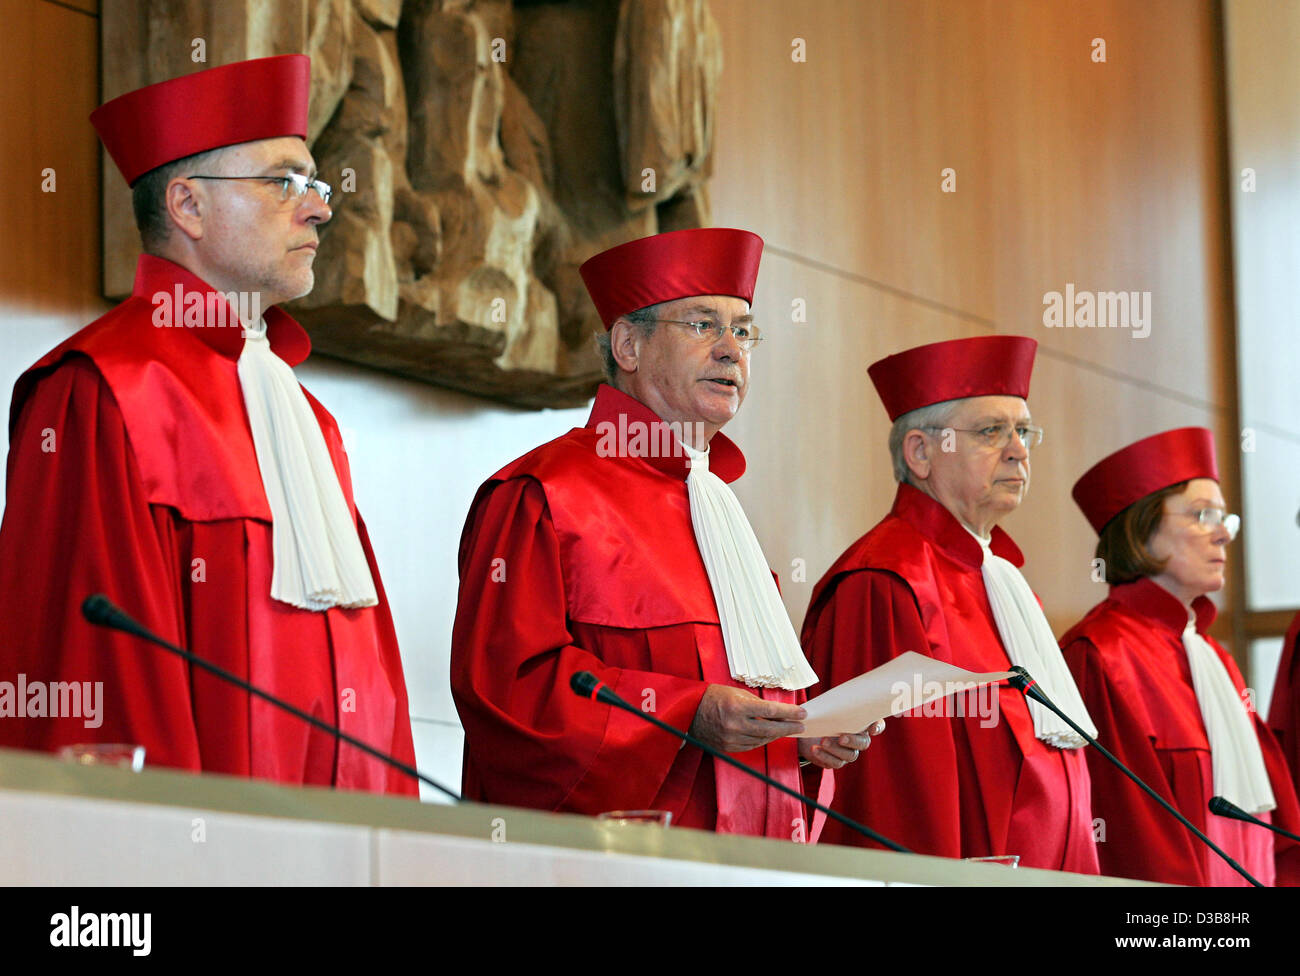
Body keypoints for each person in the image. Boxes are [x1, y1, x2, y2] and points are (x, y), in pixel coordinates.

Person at [0, 55, 417, 795]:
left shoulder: (307, 419)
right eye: (283, 181)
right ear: (188, 206)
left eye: (316, 185)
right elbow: (98, 693)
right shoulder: (103, 392)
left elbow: (371, 686)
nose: (320, 207)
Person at [450, 228, 879, 839]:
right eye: (703, 325)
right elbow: (506, 695)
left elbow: (744, 712)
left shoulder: (718, 509)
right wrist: (683, 716)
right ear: (628, 344)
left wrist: (799, 741)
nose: (732, 350)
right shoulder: (542, 494)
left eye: (744, 330)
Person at [801, 335, 1099, 872]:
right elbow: (896, 802)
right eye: (991, 431)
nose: (1018, 449)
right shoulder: (885, 581)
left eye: (1024, 431)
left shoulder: (1005, 582)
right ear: (920, 452)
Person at [1062, 427, 1300, 884]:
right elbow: (1129, 842)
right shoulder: (1099, 654)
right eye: (1201, 515)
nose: (1222, 536)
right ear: (1141, 526)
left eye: (1224, 519)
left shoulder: (1215, 658)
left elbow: (1277, 823)